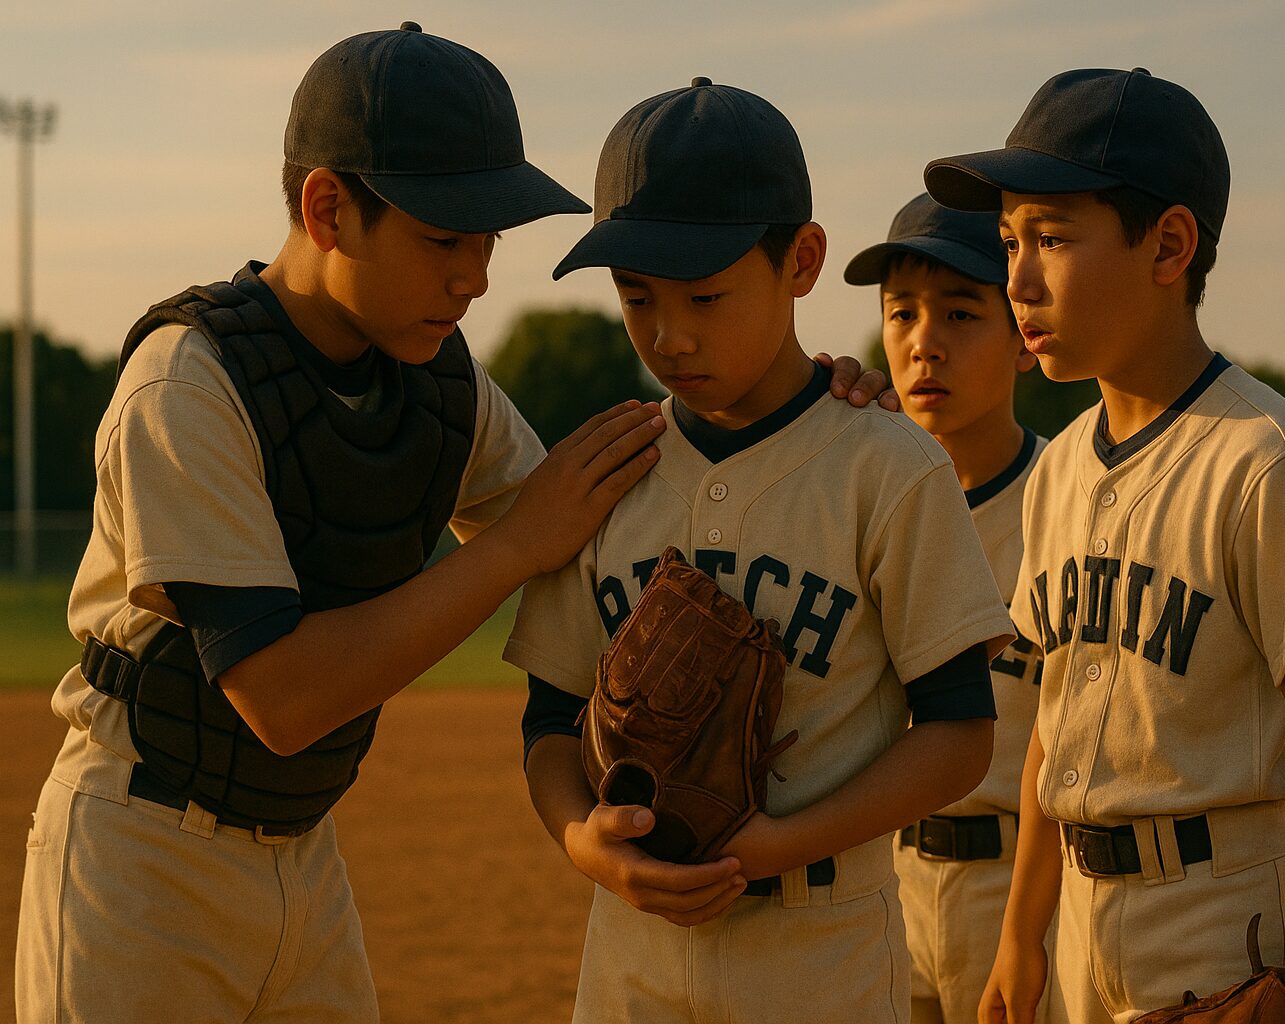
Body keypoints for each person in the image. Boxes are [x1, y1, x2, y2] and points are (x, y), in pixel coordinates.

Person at [11, 26, 888, 1024]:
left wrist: (809, 409)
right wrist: (512, 547)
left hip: (304, 855)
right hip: (140, 858)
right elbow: (284, 700)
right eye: (444, 238)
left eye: (488, 241)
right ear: (327, 208)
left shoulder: (439, 384)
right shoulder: (189, 383)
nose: (474, 277)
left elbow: (605, 521)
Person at [504, 78, 1019, 1023]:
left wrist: (782, 841)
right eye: (636, 296)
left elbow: (958, 732)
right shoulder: (605, 472)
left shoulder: (886, 466)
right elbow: (549, 719)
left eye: (706, 294)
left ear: (803, 261)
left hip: (820, 947)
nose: (669, 334)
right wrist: (584, 840)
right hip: (629, 955)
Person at [923, 68, 1285, 1024]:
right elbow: (1053, 723)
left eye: (1052, 239)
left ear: (1170, 245)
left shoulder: (1265, 462)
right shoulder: (1058, 469)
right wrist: (1021, 933)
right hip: (1080, 917)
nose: (1017, 281)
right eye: (1009, 242)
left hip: (1220, 915)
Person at [843, 193, 1051, 1024]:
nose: (924, 342)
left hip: (1025, 886)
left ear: (1024, 337)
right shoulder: (858, 495)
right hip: (886, 880)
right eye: (902, 313)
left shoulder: (1067, 499)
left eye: (962, 313)